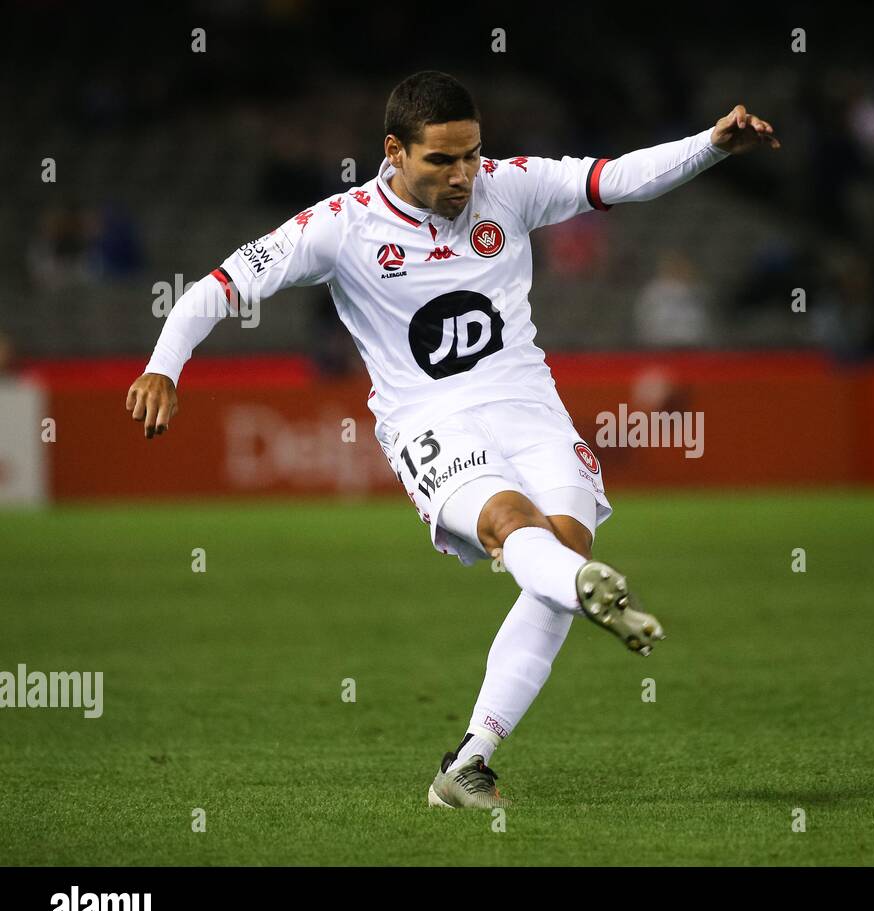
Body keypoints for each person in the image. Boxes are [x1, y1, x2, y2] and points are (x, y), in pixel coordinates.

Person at [122, 71, 780, 809]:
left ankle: (469, 762)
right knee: (515, 530)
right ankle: (587, 590)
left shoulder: (511, 186)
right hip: (430, 421)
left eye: (470, 154)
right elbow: (221, 284)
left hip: (529, 407)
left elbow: (616, 178)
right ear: (394, 152)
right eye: (441, 160)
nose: (463, 174)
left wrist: (712, 145)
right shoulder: (341, 227)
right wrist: (162, 369)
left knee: (559, 551)